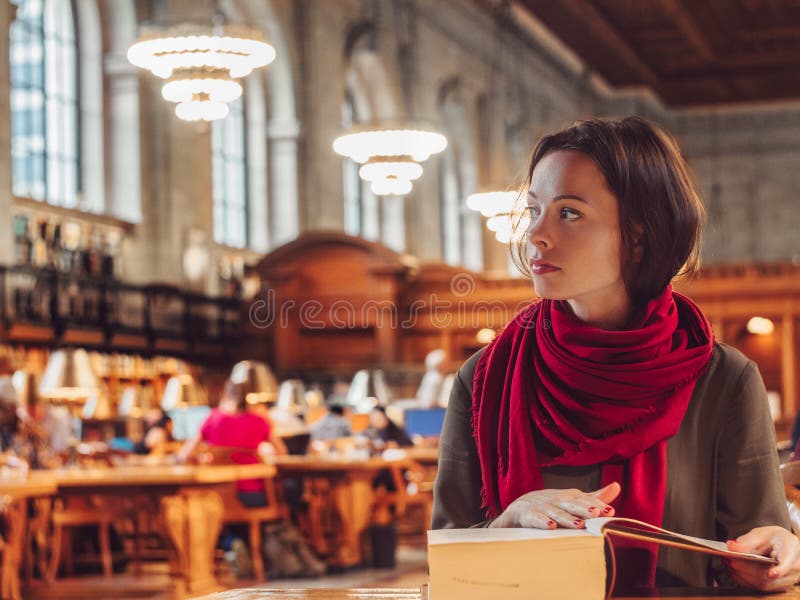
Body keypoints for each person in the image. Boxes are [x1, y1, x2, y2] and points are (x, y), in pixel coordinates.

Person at [431, 116, 798, 593]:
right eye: (534, 209)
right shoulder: (486, 376)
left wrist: (775, 558)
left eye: (568, 213)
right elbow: (446, 561)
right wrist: (508, 524)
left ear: (638, 236)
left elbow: (763, 549)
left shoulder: (724, 379)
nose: (536, 233)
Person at [178, 379, 286, 507]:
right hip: (252, 495)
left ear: (224, 395)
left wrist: (201, 459)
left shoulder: (213, 418)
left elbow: (185, 455)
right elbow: (282, 452)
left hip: (218, 496)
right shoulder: (259, 421)